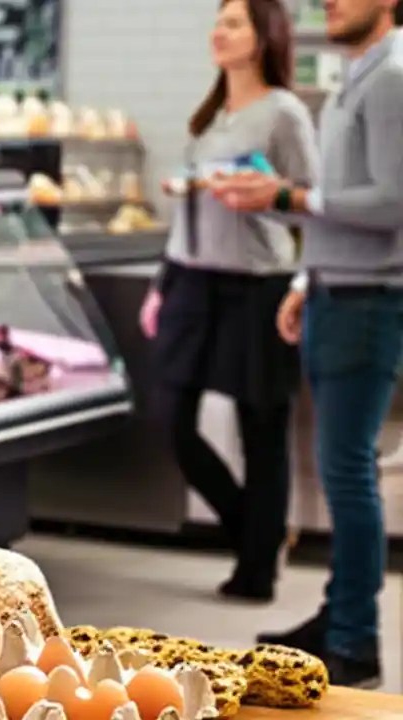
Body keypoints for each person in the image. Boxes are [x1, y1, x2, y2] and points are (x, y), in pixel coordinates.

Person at [212, 0, 403, 689]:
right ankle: (339, 617)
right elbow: (347, 194)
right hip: (337, 287)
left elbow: (392, 203)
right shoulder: (362, 75)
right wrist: (307, 276)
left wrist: (287, 198)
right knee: (339, 469)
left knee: (347, 472)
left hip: (367, 300)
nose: (329, 1)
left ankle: (355, 643)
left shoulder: (392, 78)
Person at [140, 0, 317, 604]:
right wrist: (162, 283)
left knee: (261, 430)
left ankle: (256, 568)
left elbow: (310, 202)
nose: (220, 31)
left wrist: (304, 282)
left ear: (264, 35)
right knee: (170, 418)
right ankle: (256, 533)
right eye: (219, 21)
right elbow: (187, 208)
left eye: (235, 22)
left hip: (257, 283)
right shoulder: (209, 116)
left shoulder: (284, 112)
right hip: (191, 280)